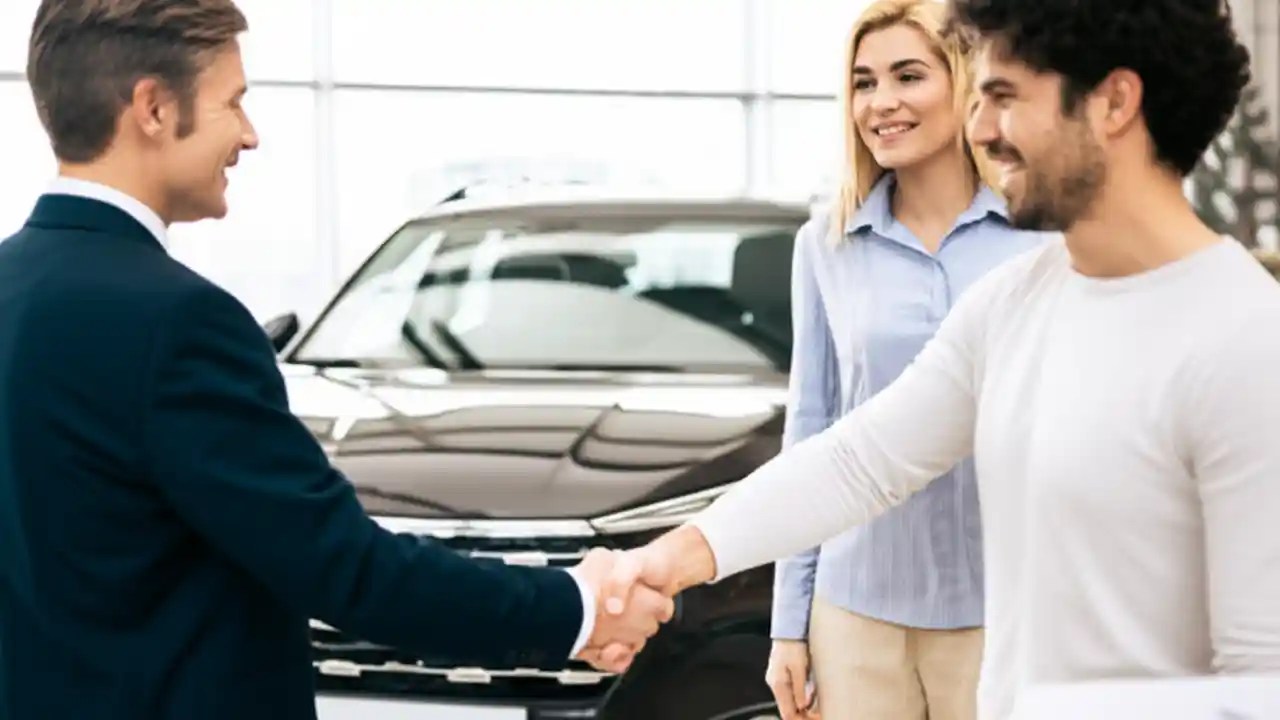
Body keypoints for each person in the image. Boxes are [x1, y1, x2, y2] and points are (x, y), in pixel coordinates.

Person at [604, 0, 1280, 718]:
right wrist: (661, 563)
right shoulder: (1014, 303)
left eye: (1004, 97)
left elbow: (1262, 679)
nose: (982, 128)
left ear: (1114, 102)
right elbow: (860, 461)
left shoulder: (1244, 338)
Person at [0, 2, 668, 718]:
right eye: (234, 102)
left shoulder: (12, 286)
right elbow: (345, 567)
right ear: (154, 108)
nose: (249, 135)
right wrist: (575, 607)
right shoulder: (178, 321)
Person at [765, 1, 1045, 719]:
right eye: (863, 83)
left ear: (964, 83)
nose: (881, 103)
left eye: (907, 76)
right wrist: (787, 628)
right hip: (856, 614)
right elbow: (812, 433)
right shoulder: (824, 246)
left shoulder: (1041, 241)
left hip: (1009, 614)